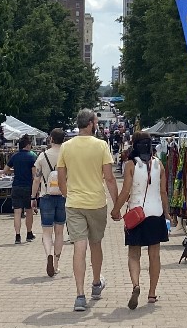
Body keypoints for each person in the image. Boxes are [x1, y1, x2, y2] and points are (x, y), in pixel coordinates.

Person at [58, 108, 121, 312]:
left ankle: (79, 295)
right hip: (96, 202)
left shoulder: (66, 147)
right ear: (91, 124)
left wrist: (70, 195)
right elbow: (109, 178)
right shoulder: (102, 146)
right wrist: (117, 205)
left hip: (74, 203)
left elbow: (61, 179)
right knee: (95, 244)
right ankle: (95, 283)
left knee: (79, 246)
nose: (98, 125)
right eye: (96, 121)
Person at [112, 130, 167, 309]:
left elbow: (126, 191)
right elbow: (163, 192)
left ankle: (136, 285)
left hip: (136, 214)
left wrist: (115, 210)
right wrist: (167, 214)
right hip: (156, 213)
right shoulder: (159, 164)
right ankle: (152, 293)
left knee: (134, 254)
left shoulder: (130, 165)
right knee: (154, 255)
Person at [34, 128, 67, 277]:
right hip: (63, 196)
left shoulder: (42, 156)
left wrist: (32, 197)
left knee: (47, 232)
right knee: (59, 231)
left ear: (51, 139)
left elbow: (36, 178)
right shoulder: (67, 155)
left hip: (46, 196)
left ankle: (48, 254)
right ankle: (56, 264)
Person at [8, 134, 38, 244]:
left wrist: (14, 171)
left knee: (17, 212)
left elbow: (6, 169)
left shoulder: (14, 156)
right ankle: (29, 233)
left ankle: (17, 236)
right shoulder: (32, 156)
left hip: (16, 186)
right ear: (28, 145)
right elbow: (35, 175)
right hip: (28, 186)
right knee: (29, 211)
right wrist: (37, 189)